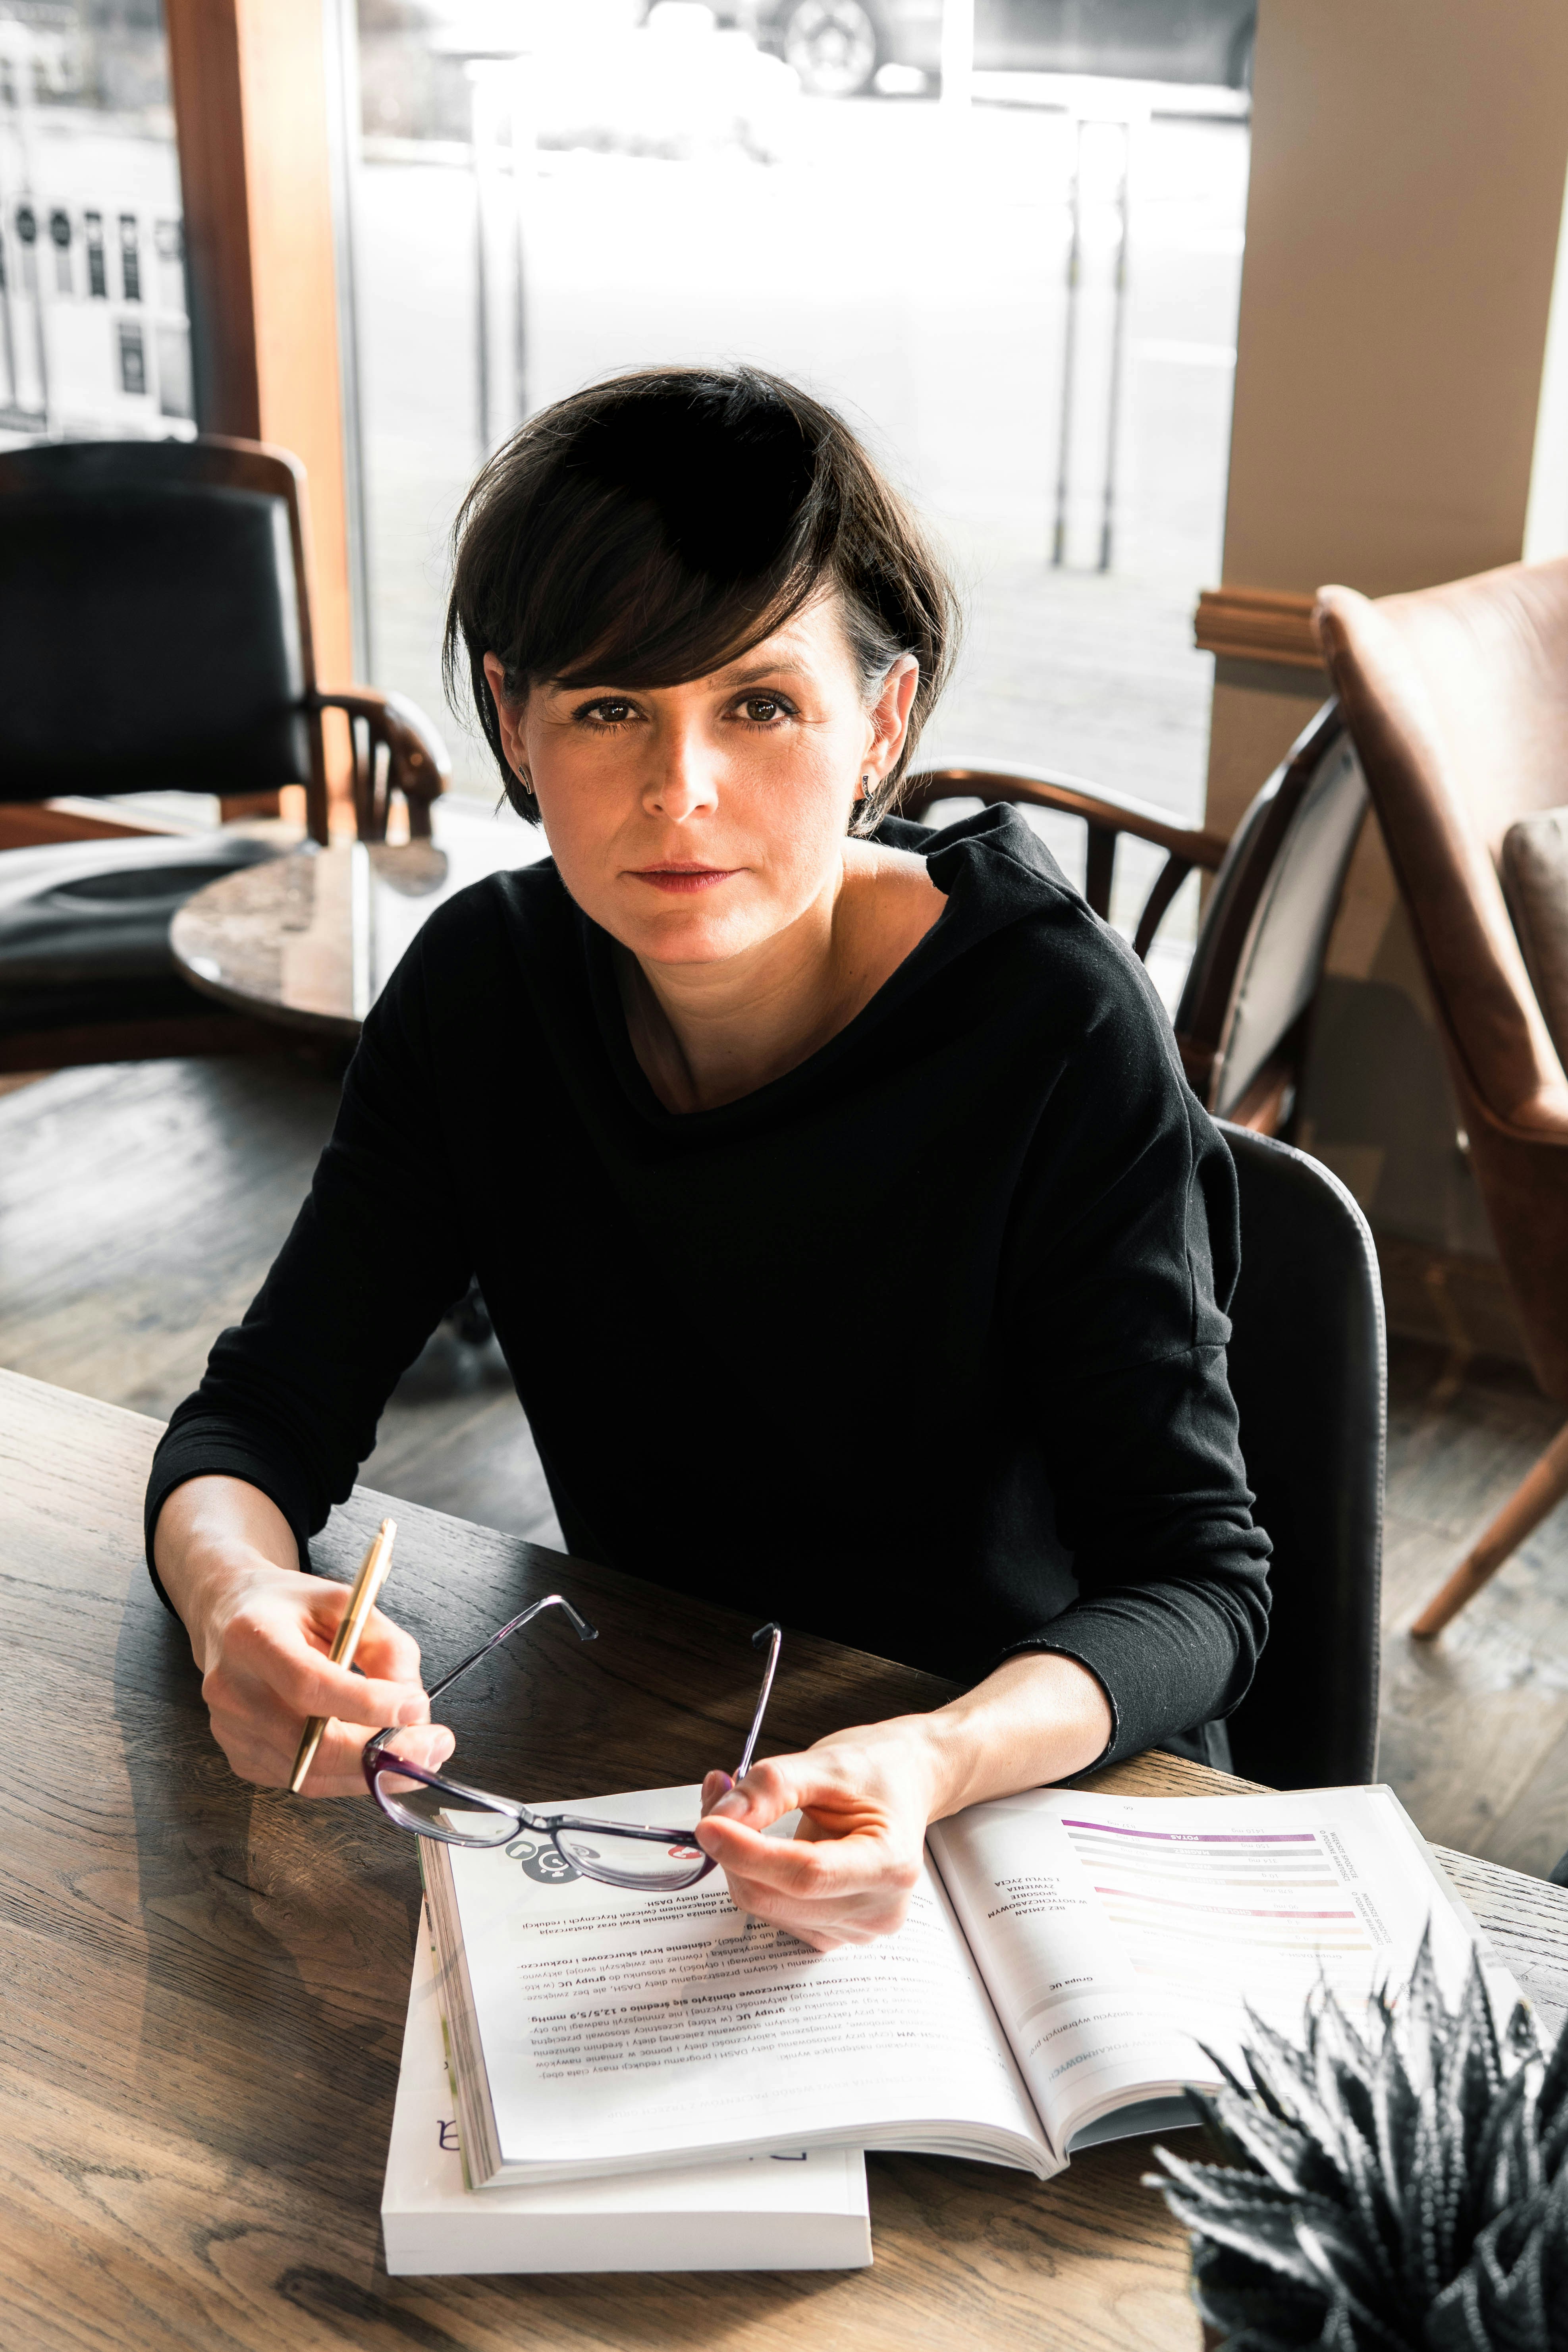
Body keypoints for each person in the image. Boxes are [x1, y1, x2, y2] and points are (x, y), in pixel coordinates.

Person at [147, 365, 1270, 1953]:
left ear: (881, 722)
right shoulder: (484, 992)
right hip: (656, 1769)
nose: (681, 791)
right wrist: (237, 1598)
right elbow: (255, 1419)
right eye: (610, 708)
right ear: (516, 722)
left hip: (1014, 1808)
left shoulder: (1053, 1021)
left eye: (760, 705)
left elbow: (1199, 1586)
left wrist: (928, 1757)